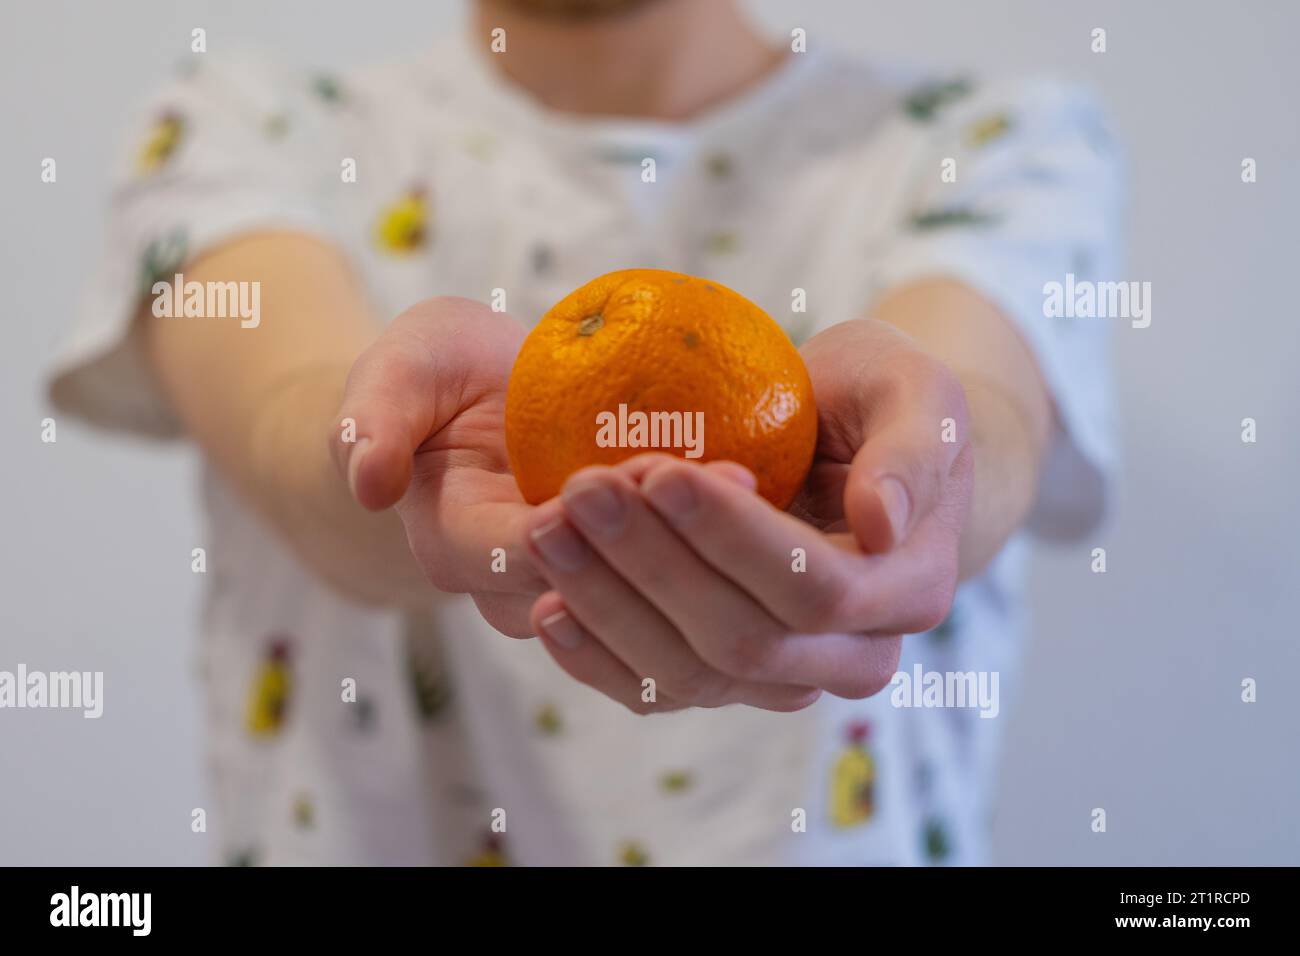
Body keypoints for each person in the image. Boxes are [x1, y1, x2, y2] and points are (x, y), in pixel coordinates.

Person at [48, 0, 1121, 865]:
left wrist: (919, 482)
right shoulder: (244, 122)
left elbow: (983, 410)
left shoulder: (987, 140)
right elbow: (291, 417)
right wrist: (394, 453)